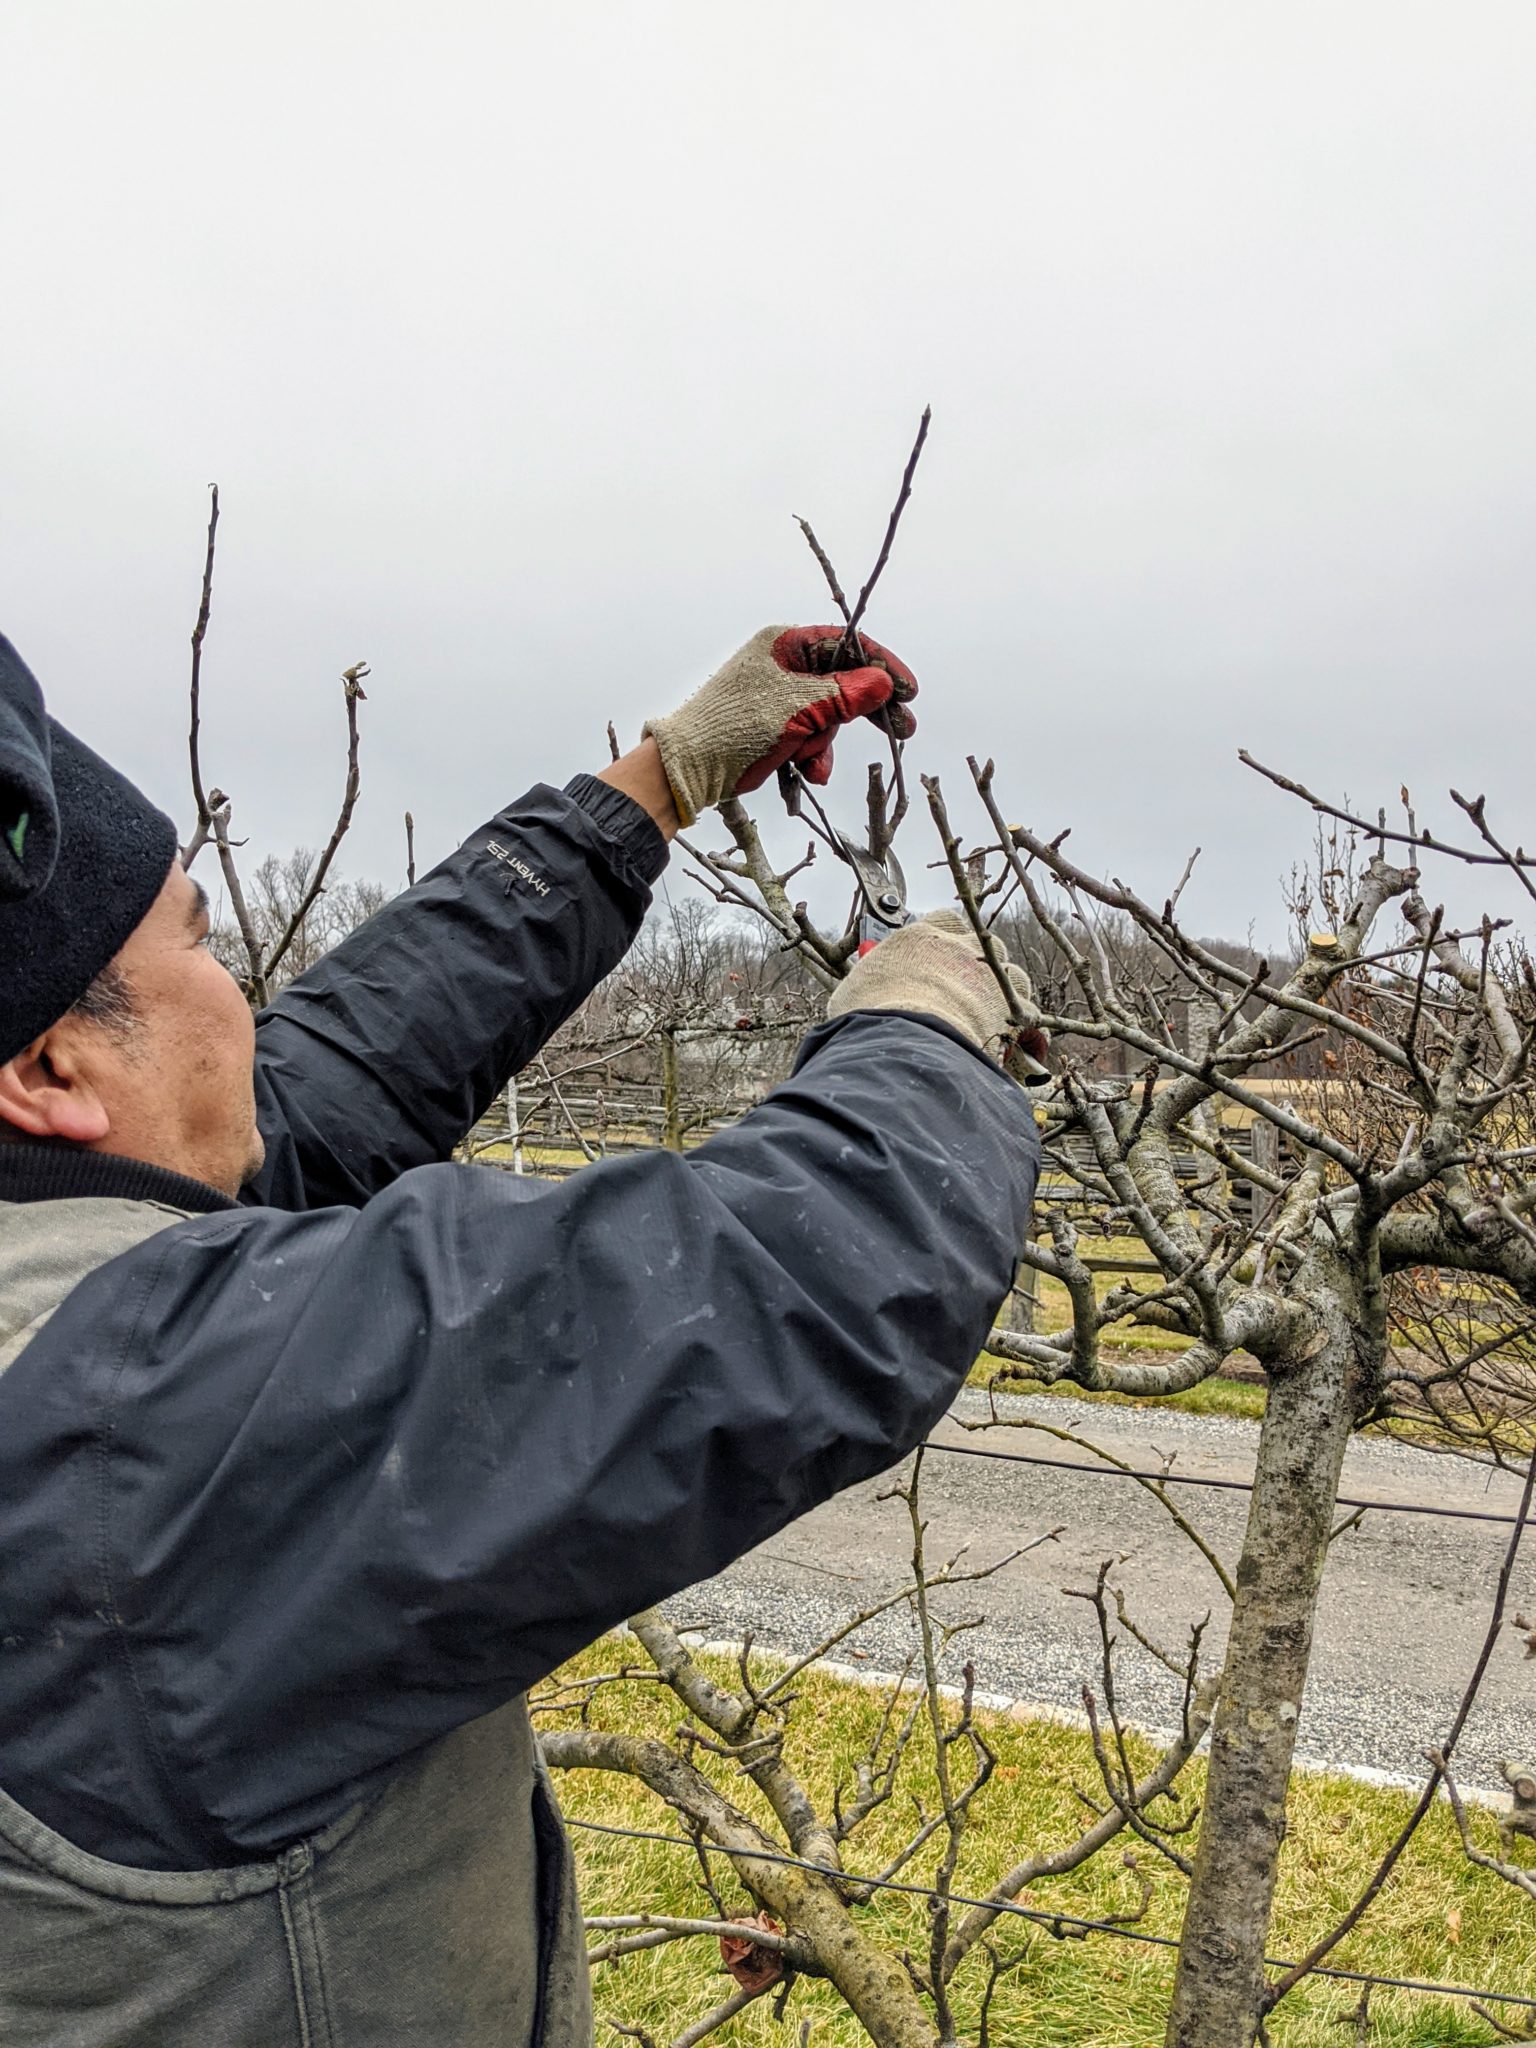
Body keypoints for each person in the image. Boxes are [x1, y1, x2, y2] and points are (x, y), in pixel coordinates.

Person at [0, 621, 1040, 2047]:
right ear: (53, 1068)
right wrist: (923, 1021)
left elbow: (328, 1087)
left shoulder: (65, 1293)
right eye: (200, 939)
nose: (242, 991)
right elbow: (803, 1281)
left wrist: (654, 786)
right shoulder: (130, 1425)